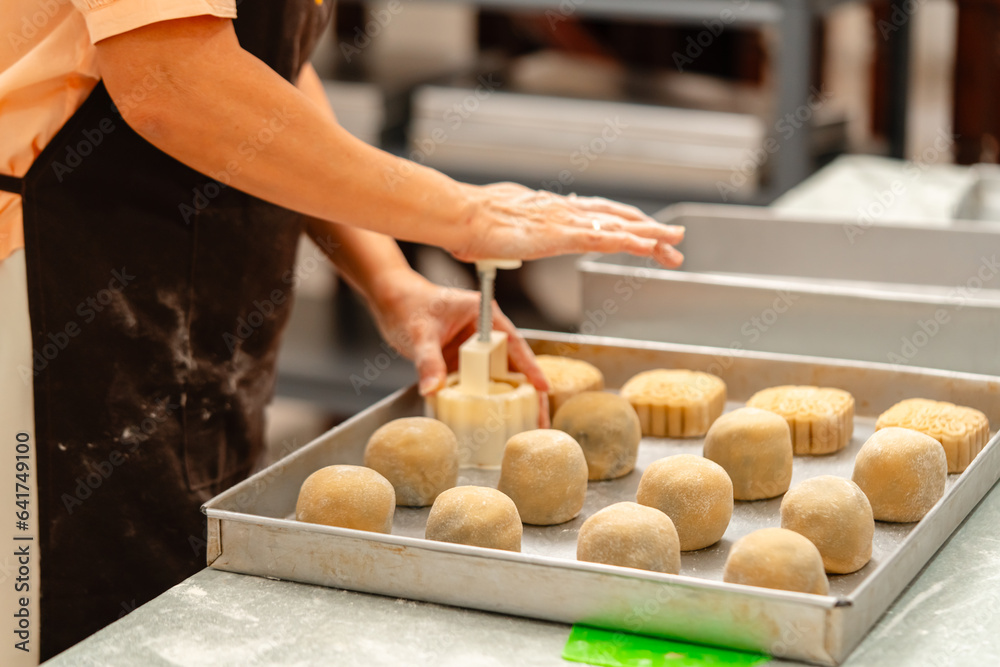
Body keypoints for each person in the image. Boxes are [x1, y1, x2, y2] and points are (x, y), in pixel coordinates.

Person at [0, 0, 684, 662]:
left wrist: (391, 279)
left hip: (193, 316)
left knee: (177, 588)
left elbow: (271, 70)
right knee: (80, 616)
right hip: (59, 297)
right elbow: (171, 76)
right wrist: (463, 215)